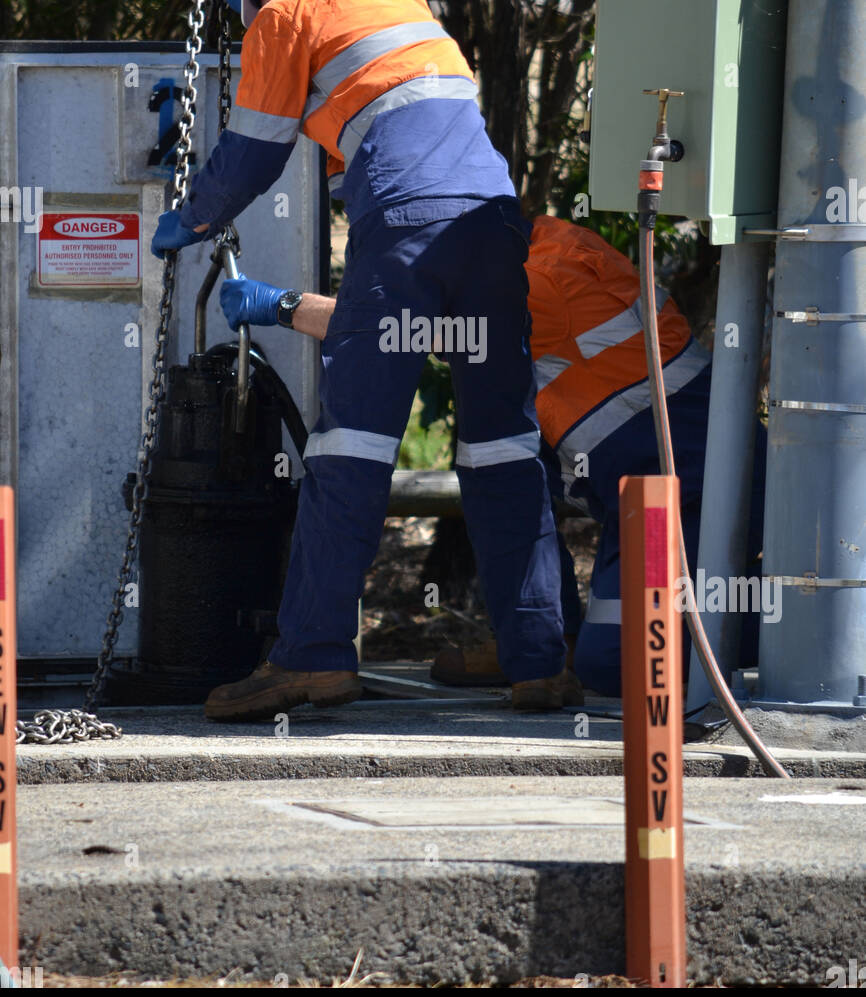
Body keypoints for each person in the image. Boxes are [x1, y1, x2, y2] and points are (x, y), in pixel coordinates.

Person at [151, 0, 577, 719]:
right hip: (492, 225)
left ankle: (311, 656)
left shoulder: (285, 14)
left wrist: (190, 217)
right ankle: (537, 660)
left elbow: (251, 155)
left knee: (349, 446)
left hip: (405, 224)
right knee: (503, 446)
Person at [224, 214, 765, 697]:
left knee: (619, 666)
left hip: (688, 496)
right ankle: (547, 639)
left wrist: (285, 306)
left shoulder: (545, 280)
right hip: (643, 496)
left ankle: (776, 639)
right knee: (508, 460)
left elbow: (396, 331)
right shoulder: (541, 244)